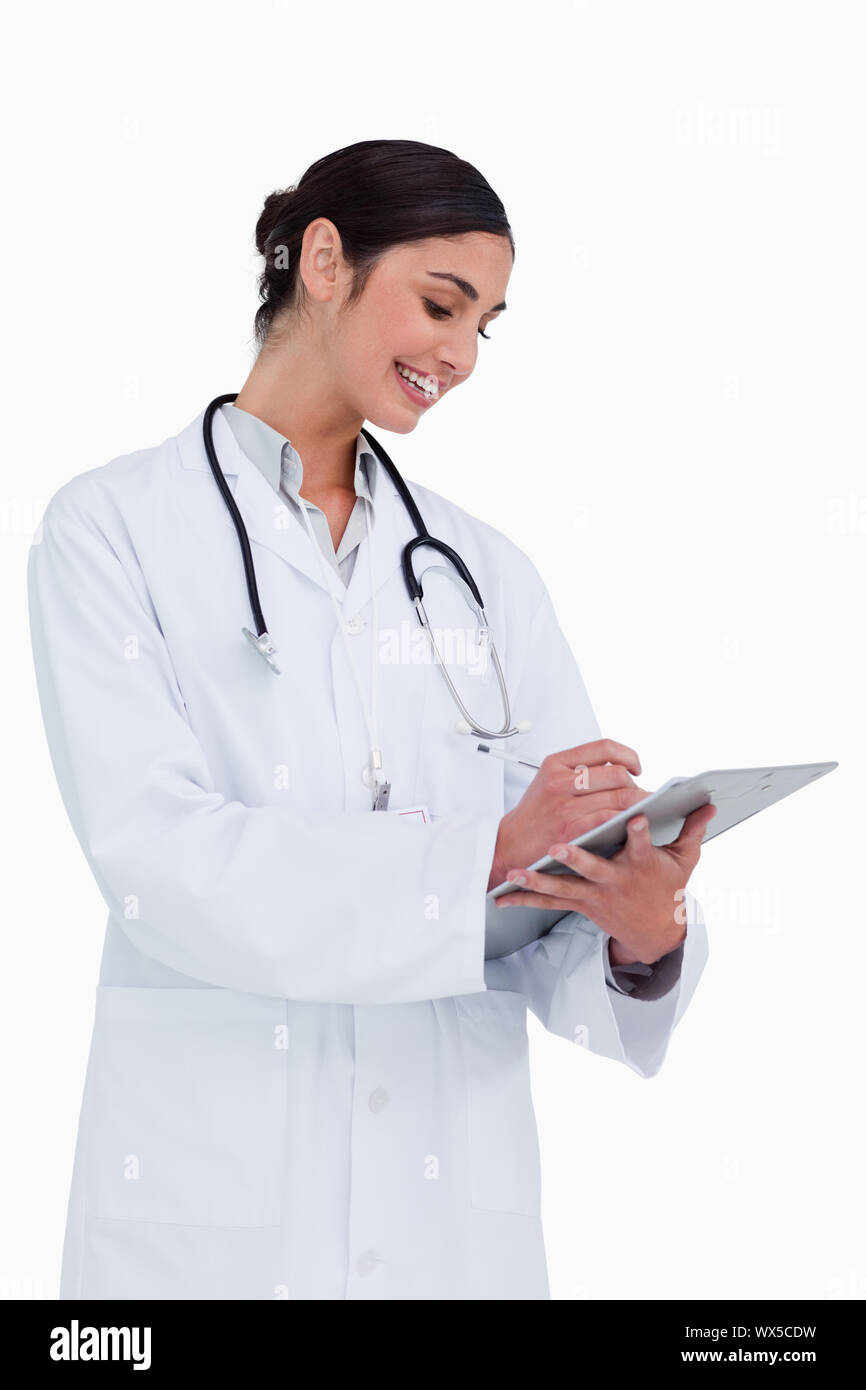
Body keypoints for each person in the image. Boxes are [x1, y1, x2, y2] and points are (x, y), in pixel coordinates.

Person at [27, 138, 714, 1301]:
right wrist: (474, 857)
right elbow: (159, 860)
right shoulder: (112, 531)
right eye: (441, 303)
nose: (459, 353)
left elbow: (545, 891)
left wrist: (639, 937)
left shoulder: (483, 574)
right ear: (326, 260)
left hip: (450, 1231)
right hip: (216, 1223)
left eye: (484, 324)